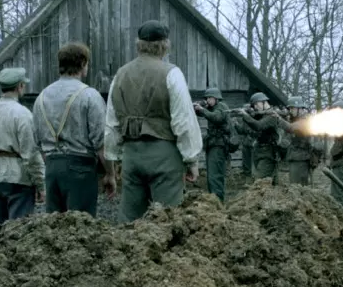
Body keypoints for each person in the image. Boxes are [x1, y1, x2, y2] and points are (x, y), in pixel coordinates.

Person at [105, 20, 203, 222]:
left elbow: (111, 124)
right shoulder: (171, 74)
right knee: (168, 221)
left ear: (138, 44)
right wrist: (191, 159)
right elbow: (183, 121)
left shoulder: (120, 75)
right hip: (164, 158)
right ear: (164, 45)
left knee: (131, 222)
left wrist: (112, 159)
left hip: (132, 157)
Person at [34, 43, 114, 216]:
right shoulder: (89, 95)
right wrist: (110, 173)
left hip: (52, 169)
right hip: (81, 169)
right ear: (83, 64)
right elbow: (101, 141)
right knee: (79, 228)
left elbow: (38, 142)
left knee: (54, 229)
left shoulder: (41, 97)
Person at [0, 67, 45, 226]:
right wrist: (41, 184)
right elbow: (31, 154)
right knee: (17, 231)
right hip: (18, 178)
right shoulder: (23, 114)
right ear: (20, 86)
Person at [236, 92, 282, 183]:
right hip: (259, 151)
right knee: (268, 181)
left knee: (260, 181)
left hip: (269, 152)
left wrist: (245, 115)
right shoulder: (261, 115)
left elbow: (259, 126)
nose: (255, 107)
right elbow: (250, 129)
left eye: (256, 104)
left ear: (264, 102)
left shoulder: (272, 115)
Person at [194, 87, 230, 201]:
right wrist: (197, 108)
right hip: (213, 145)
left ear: (216, 98)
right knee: (211, 176)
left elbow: (217, 117)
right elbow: (203, 114)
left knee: (215, 176)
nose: (208, 100)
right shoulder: (212, 107)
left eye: (210, 98)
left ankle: (218, 201)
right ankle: (214, 199)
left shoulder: (221, 107)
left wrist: (203, 110)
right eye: (207, 98)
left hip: (218, 145)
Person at [275, 96, 315, 185]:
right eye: (290, 108)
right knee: (294, 184)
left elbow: (291, 128)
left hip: (301, 158)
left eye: (292, 108)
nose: (290, 111)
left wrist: (278, 118)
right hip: (296, 156)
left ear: (299, 109)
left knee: (298, 185)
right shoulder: (295, 119)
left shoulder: (305, 121)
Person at [233, 102, 256, 179]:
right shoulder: (245, 119)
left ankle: (254, 177)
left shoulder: (255, 118)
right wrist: (236, 124)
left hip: (254, 142)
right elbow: (242, 130)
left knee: (254, 161)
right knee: (246, 161)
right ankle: (247, 176)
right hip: (246, 143)